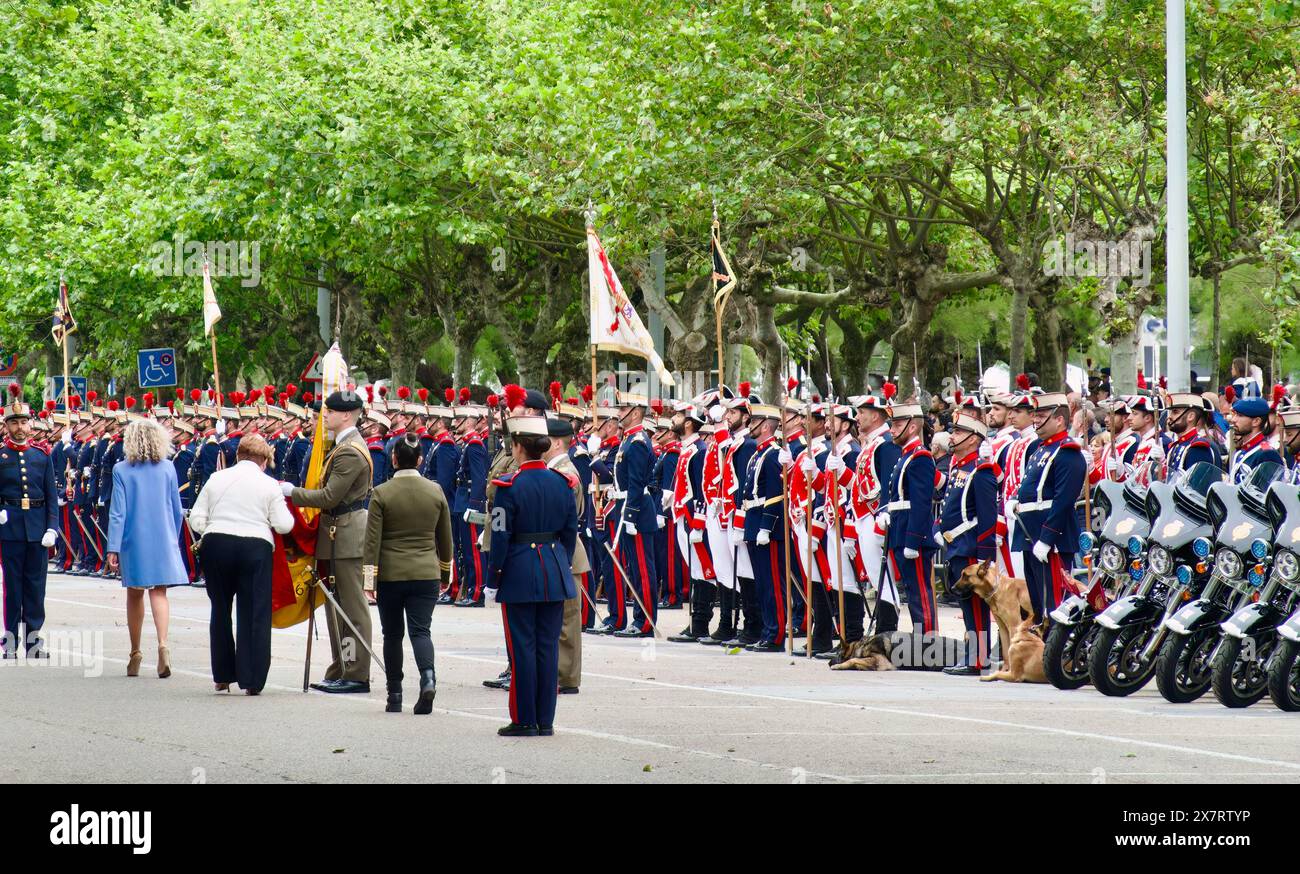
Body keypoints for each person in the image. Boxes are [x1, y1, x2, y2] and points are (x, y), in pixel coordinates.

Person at [484, 416, 578, 737]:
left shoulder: (507, 487)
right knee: (547, 647)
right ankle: (545, 720)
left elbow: (499, 536)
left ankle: (525, 719)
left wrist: (493, 578)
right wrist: (556, 560)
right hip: (553, 568)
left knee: (522, 647)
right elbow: (569, 532)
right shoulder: (562, 482)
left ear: (519, 447)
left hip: (519, 573)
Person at [285, 390, 375, 694]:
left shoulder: (349, 451)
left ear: (347, 415)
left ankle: (357, 673)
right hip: (335, 532)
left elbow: (329, 497)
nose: (326, 417)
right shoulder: (343, 446)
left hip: (346, 533)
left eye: (331, 413)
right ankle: (341, 668)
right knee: (336, 607)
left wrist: (290, 492)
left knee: (352, 608)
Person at [189, 433, 293, 694]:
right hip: (254, 546)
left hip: (217, 543)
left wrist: (214, 527)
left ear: (238, 456)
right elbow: (284, 524)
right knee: (254, 613)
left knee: (220, 610)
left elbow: (196, 519)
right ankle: (252, 679)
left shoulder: (217, 478)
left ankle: (222, 675)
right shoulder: (270, 484)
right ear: (264, 459)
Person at [363, 432, 453, 714]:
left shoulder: (382, 493)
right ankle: (428, 678)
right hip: (426, 571)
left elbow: (372, 541)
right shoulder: (435, 491)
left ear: (393, 459)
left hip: (391, 574)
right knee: (420, 631)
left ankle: (395, 695)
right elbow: (446, 539)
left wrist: (369, 580)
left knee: (392, 635)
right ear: (421, 459)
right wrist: (445, 574)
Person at [104, 417, 188, 676]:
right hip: (163, 536)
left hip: (133, 537)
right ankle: (163, 645)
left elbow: (118, 512)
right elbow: (176, 508)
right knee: (160, 592)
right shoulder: (167, 468)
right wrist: (172, 538)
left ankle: (136, 652)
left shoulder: (121, 469)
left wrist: (113, 547)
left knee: (134, 593)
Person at [1015, 392, 1087, 624]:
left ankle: (1056, 655)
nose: (1036, 420)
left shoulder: (1067, 452)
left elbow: (1063, 500)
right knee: (1038, 604)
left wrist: (1047, 538)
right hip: (1029, 532)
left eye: (1043, 416)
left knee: (1054, 604)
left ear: (1059, 419)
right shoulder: (1039, 449)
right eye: (1035, 415)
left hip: (1051, 538)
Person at [0, 386, 58, 659]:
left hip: (37, 529)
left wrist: (52, 528)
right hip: (10, 528)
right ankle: (10, 641)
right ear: (7, 426)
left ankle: (34, 642)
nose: (20, 428)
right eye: (14, 423)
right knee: (12, 588)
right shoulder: (1, 455)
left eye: (23, 422)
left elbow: (51, 495)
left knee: (36, 588)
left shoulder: (42, 456)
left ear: (30, 425)